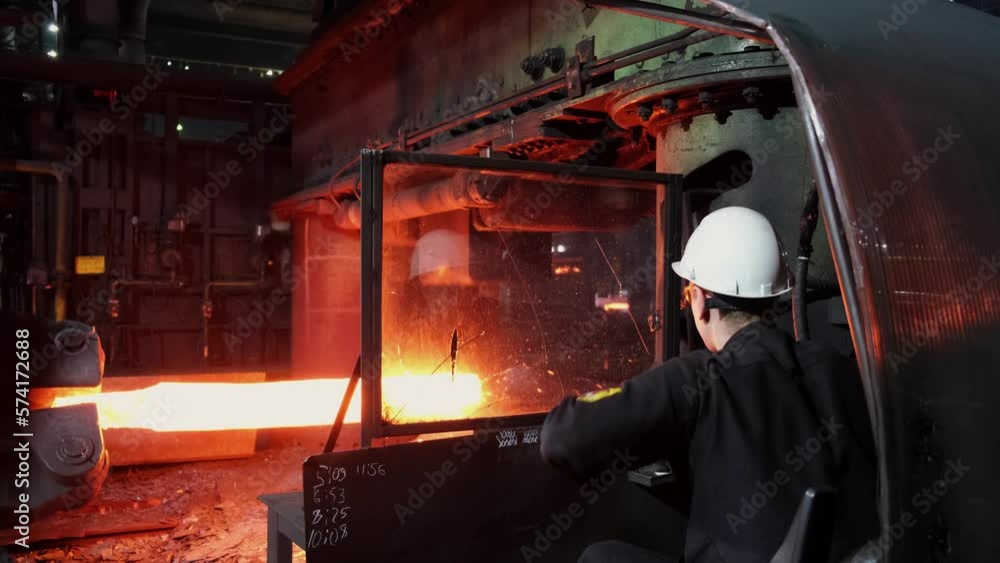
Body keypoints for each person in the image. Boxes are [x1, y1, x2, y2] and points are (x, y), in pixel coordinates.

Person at [540, 206, 877, 563]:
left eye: (688, 295)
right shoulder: (835, 367)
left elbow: (562, 437)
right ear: (776, 299)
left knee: (600, 558)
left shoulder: (701, 378)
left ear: (698, 300)